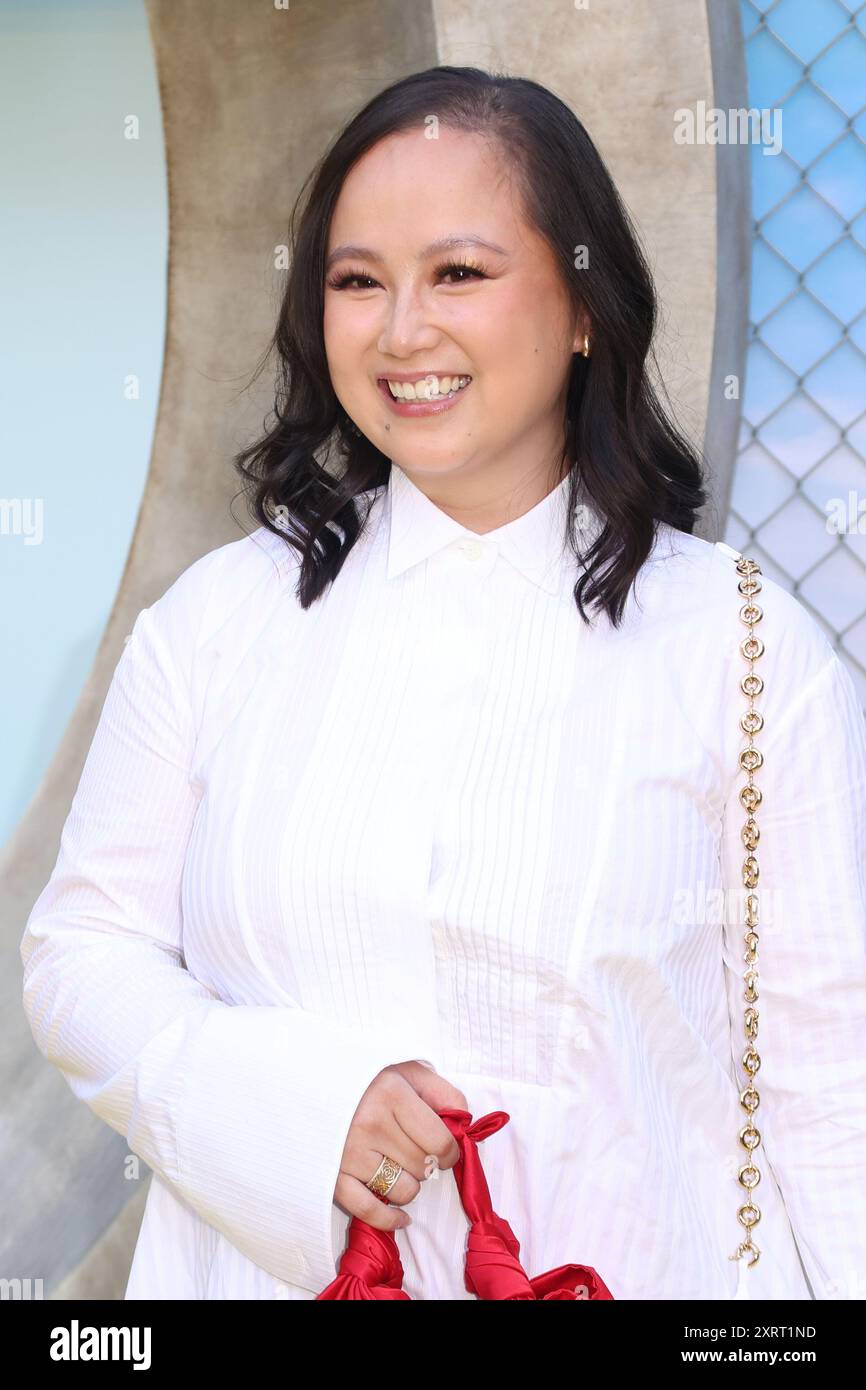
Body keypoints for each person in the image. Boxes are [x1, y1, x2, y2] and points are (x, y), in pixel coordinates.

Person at [20, 66, 866, 1302]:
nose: (401, 330)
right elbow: (81, 955)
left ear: (584, 307)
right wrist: (303, 1113)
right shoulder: (217, 621)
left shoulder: (744, 648)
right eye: (357, 280)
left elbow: (825, 1079)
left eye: (458, 273)